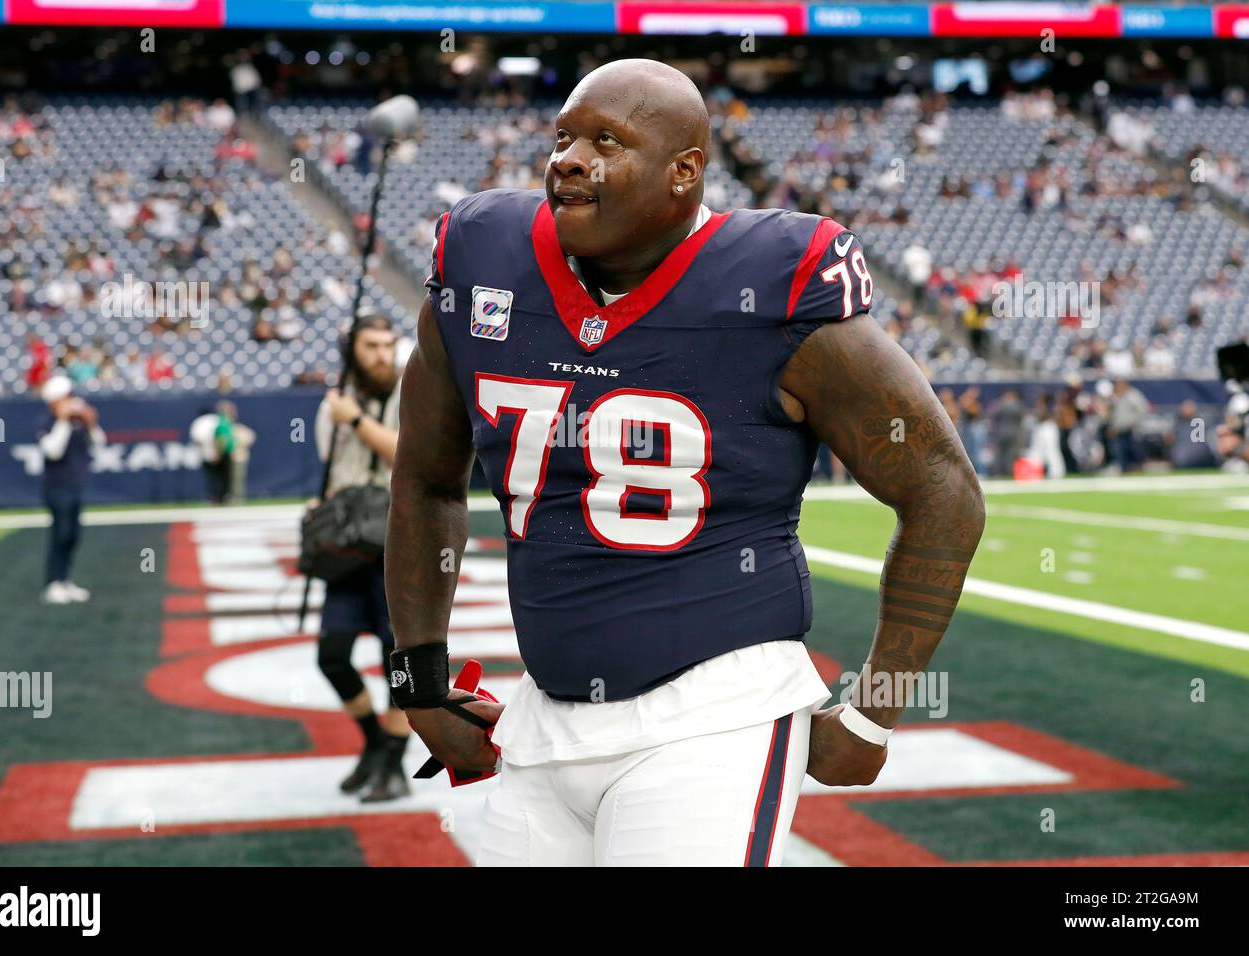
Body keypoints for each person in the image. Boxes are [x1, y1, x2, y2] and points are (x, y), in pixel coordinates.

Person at [386, 60, 985, 866]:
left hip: (716, 718)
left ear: (684, 171)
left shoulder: (769, 286)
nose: (568, 158)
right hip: (542, 721)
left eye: (607, 141)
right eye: (563, 137)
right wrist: (417, 684)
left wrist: (874, 708)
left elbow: (943, 487)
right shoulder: (483, 259)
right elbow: (425, 480)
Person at [314, 312, 410, 802]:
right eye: (371, 345)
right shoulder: (333, 404)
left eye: (387, 345)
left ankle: (394, 764)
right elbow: (336, 472)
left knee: (399, 658)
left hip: (399, 539)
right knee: (332, 654)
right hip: (350, 543)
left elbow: (407, 455)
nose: (381, 354)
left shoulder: (411, 391)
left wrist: (354, 419)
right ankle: (375, 744)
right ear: (352, 350)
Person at [37, 376, 105, 604]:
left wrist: (91, 423)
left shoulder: (79, 422)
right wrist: (63, 421)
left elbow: (99, 444)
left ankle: (65, 579)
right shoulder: (47, 422)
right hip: (56, 487)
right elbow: (53, 451)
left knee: (73, 536)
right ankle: (53, 582)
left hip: (75, 485)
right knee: (60, 533)